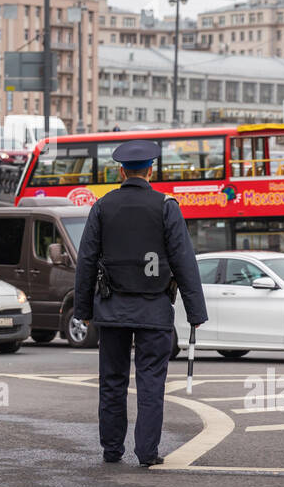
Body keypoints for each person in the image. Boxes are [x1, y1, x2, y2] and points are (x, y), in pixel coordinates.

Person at [73, 140, 207, 467]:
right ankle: (147, 453)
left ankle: (111, 449)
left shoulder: (102, 207)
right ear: (150, 170)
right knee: (150, 384)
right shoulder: (166, 206)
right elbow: (184, 261)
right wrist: (195, 312)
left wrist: (83, 312)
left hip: (112, 310)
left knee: (112, 382)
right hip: (155, 310)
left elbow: (86, 261)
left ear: (121, 171)